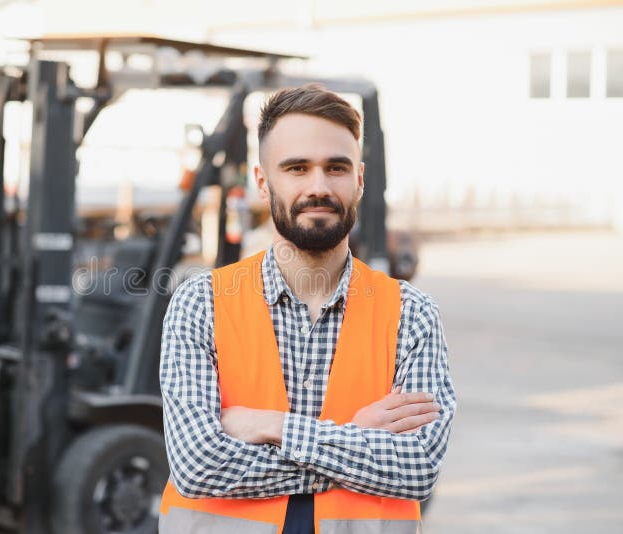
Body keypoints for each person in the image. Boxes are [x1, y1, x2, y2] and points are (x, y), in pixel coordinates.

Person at [158, 84, 456, 534]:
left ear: (358, 179)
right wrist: (355, 440)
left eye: (335, 168)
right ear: (262, 181)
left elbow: (415, 470)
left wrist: (269, 424)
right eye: (297, 168)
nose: (318, 187)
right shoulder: (201, 303)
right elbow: (198, 466)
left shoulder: (411, 314)